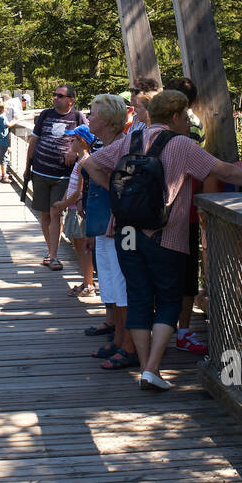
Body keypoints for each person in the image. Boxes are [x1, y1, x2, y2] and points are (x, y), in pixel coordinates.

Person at [82, 90, 242, 391]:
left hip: (127, 234)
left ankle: (144, 366)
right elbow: (225, 170)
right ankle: (152, 368)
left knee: (139, 296)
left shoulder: (131, 139)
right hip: (165, 235)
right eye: (185, 117)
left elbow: (89, 164)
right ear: (177, 116)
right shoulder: (182, 145)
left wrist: (117, 199)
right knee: (168, 298)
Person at [75, 94, 139, 370]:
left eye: (93, 113)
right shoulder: (106, 144)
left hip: (118, 226)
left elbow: (117, 186)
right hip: (102, 225)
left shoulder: (122, 145)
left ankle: (129, 344)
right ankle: (119, 336)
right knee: (111, 285)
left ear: (109, 120)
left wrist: (85, 160)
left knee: (122, 285)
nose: (88, 117)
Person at [164, 76, 210, 355]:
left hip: (159, 211)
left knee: (169, 272)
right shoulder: (192, 127)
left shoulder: (152, 125)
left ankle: (158, 329)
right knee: (185, 274)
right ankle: (181, 331)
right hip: (185, 210)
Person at [24, 84, 87, 271]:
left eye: (60, 96)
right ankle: (51, 250)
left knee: (55, 213)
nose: (55, 98)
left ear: (71, 100)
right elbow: (34, 140)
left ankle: (53, 256)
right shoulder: (45, 115)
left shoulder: (77, 117)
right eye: (55, 95)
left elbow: (88, 139)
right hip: (40, 172)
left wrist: (72, 151)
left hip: (62, 175)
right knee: (44, 213)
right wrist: (28, 167)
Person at [51, 126, 98, 297]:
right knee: (78, 248)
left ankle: (89, 285)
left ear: (82, 141)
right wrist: (63, 202)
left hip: (77, 211)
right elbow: (71, 187)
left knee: (84, 249)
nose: (71, 142)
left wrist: (63, 204)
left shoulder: (85, 162)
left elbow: (79, 193)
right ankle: (86, 281)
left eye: (74, 139)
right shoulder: (80, 161)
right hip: (71, 209)